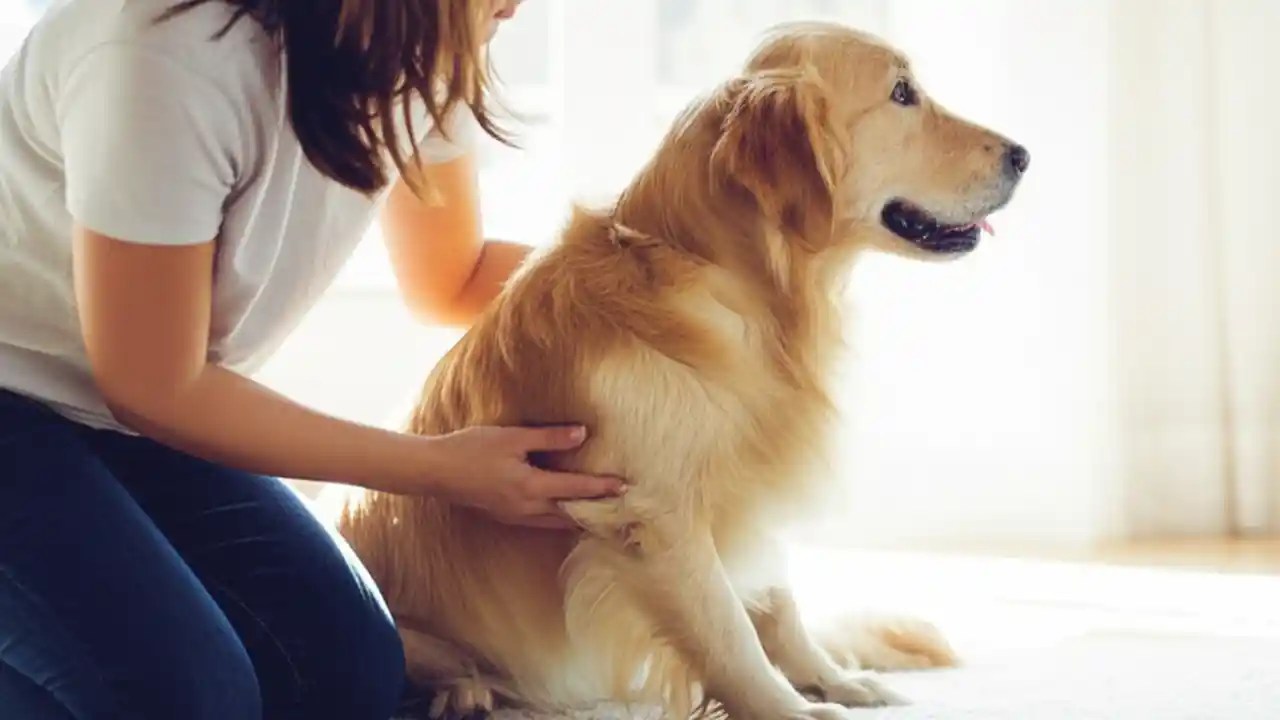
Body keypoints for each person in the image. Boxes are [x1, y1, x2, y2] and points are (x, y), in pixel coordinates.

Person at [0, 1, 626, 718]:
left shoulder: (425, 45)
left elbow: (453, 273)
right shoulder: (165, 53)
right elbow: (153, 387)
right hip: (32, 393)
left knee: (346, 666)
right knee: (182, 695)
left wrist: (664, 268)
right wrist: (443, 467)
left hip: (126, 409)